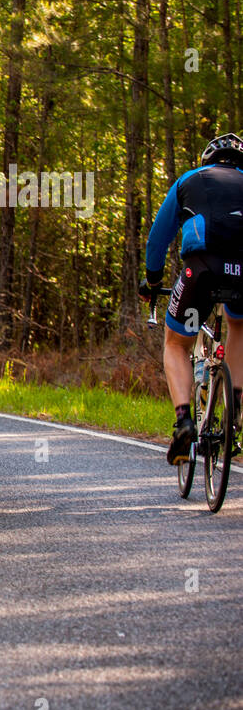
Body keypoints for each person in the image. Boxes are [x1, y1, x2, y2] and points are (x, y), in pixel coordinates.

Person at [139, 132, 243, 464]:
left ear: (208, 160)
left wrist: (153, 279)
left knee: (176, 342)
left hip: (202, 270)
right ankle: (235, 412)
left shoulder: (190, 180)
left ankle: (184, 421)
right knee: (239, 326)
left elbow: (159, 236)